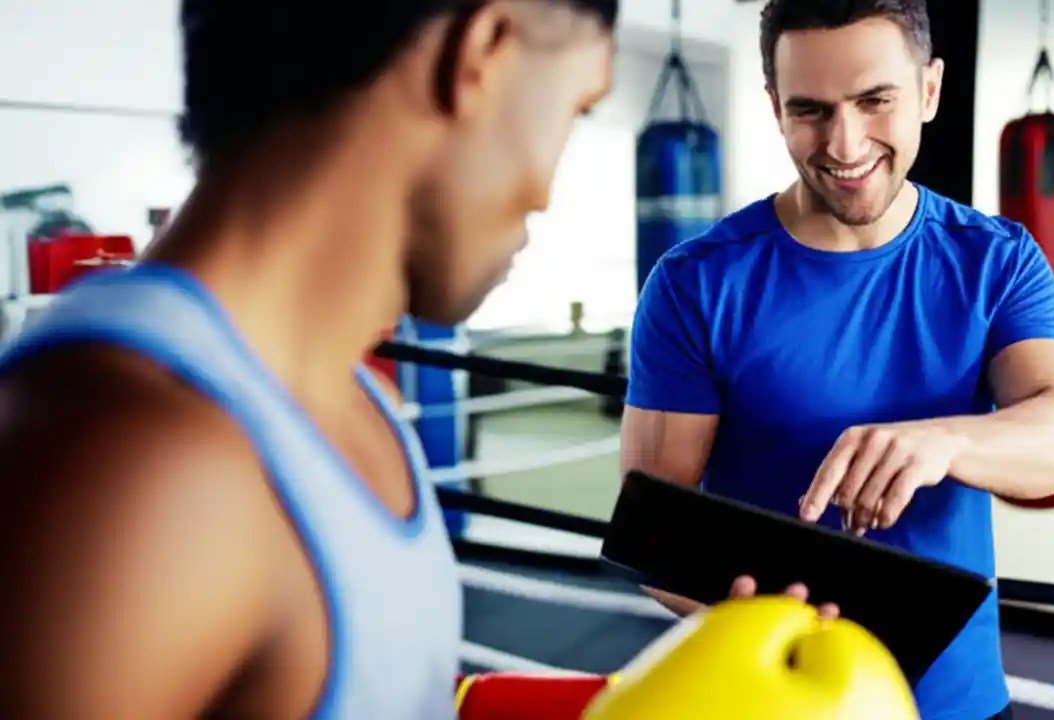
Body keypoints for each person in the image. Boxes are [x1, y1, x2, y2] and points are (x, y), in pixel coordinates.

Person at [0, 1, 623, 717]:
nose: (546, 193)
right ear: (481, 50)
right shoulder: (143, 467)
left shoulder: (359, 410)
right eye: (575, 110)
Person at [620, 1, 1054, 719]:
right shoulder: (697, 283)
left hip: (954, 701)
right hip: (769, 701)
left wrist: (943, 440)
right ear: (776, 106)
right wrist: (796, 632)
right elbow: (655, 534)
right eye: (810, 109)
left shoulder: (996, 260)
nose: (843, 144)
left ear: (929, 91)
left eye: (875, 101)